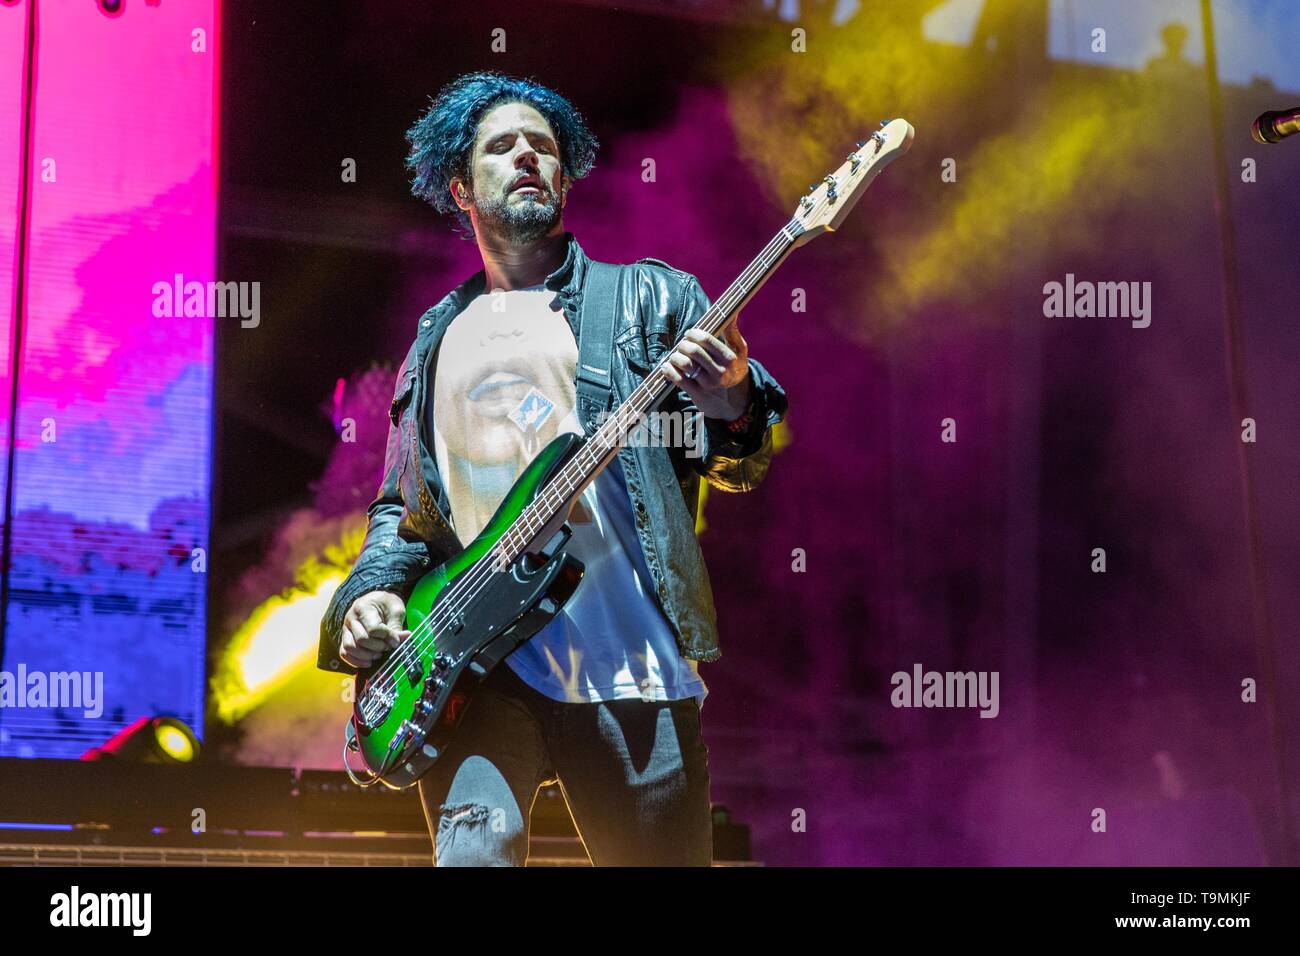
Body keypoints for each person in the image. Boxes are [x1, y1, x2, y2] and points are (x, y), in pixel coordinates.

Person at [317, 71, 788, 865]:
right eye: (503, 147)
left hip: (633, 672)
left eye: (544, 146)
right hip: (480, 669)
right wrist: (365, 601)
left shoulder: (649, 298)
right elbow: (403, 511)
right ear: (462, 187)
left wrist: (731, 396)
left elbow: (742, 458)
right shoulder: (437, 342)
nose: (530, 157)